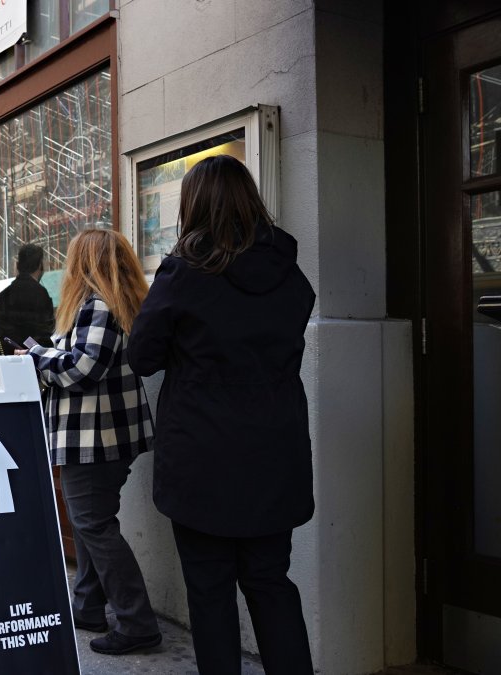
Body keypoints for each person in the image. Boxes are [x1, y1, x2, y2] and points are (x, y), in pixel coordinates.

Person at [126, 155, 316, 673]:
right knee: (271, 584)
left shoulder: (185, 271)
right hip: (276, 455)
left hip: (201, 459)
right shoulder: (289, 272)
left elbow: (141, 354)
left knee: (210, 594)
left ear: (194, 206)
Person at [18, 228, 161, 655]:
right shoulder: (110, 303)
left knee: (93, 524)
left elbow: (82, 369)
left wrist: (33, 356)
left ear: (84, 263)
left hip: (94, 438)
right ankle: (87, 606)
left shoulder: (97, 305)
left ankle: (137, 622)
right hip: (103, 436)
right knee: (89, 521)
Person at [0, 243, 56, 354]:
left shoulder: (3, 296)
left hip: (7, 360)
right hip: (35, 360)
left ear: (17, 265)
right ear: (40, 266)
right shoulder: (42, 295)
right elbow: (46, 333)